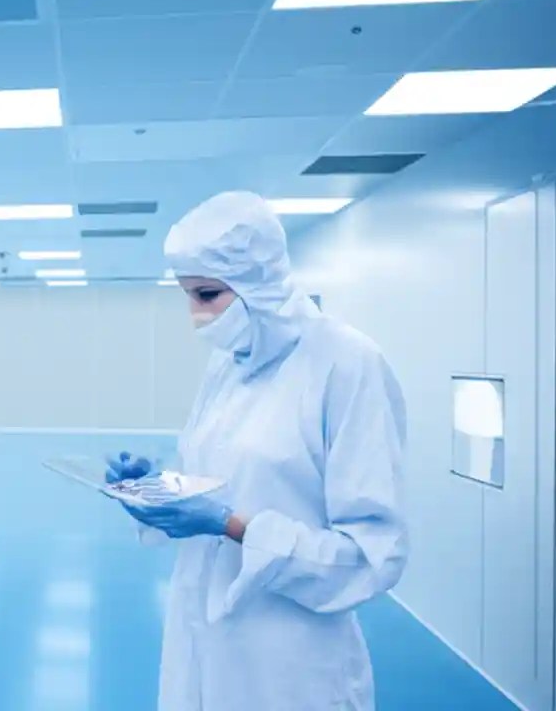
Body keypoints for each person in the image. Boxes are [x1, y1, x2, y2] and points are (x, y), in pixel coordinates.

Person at [107, 190, 408, 710]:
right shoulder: (229, 363)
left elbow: (369, 557)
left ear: (257, 283)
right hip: (203, 635)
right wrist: (157, 487)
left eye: (206, 295)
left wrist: (234, 525)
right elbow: (216, 479)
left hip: (289, 662)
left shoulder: (347, 363)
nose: (195, 314)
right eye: (187, 295)